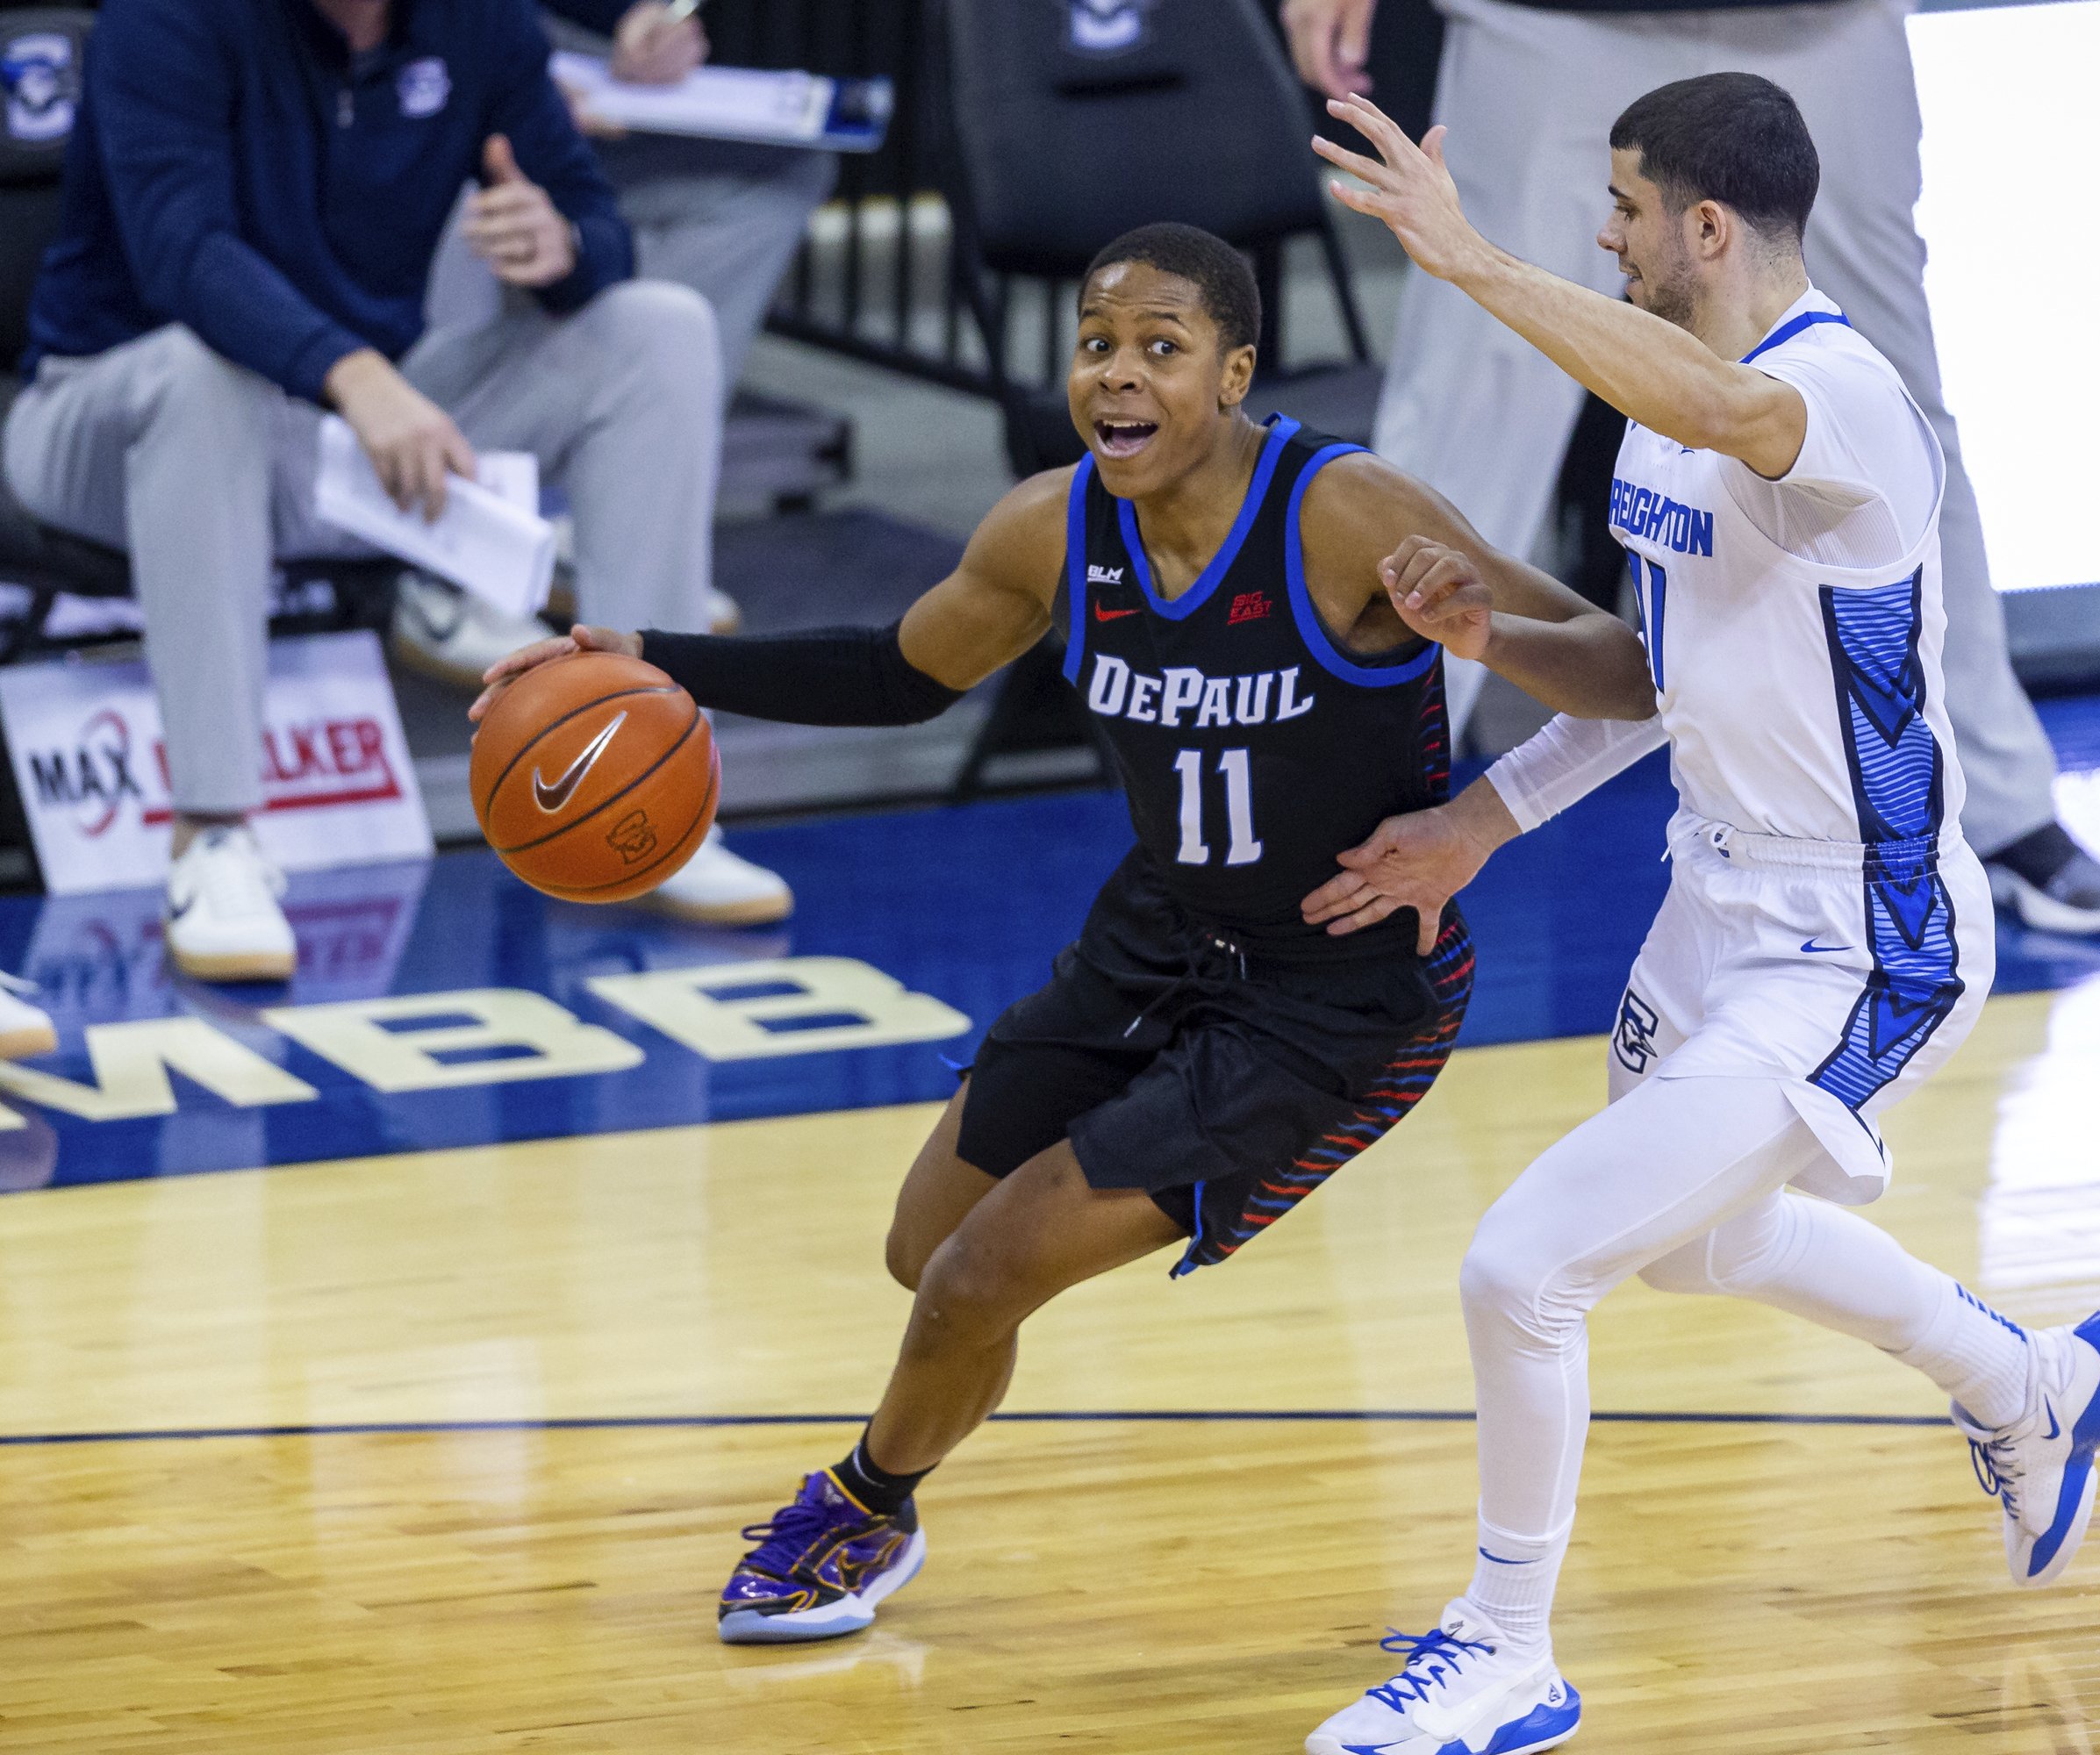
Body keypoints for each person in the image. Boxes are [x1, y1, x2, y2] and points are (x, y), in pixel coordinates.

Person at [469, 222, 1652, 1645]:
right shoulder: (1051, 527)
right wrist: (643, 656)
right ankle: (926, 1418)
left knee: (980, 1274)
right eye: (1096, 345)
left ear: (1234, 374)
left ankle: (860, 1507)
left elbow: (1630, 674)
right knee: (930, 1255)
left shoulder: (1342, 513)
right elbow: (901, 676)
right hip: (1155, 936)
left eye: (1162, 347)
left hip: (1332, 995)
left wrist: (1486, 657)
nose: (1119, 376)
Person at [1294, 81, 2100, 1753]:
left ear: (1706, 227)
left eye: (1620, 208)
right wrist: (1487, 746)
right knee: (1698, 1241)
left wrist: (1465, 264)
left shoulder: (1840, 396)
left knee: (1521, 1270)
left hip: (1864, 938)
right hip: (1715, 901)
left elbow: (1746, 413)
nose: (1600, 237)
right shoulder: (1661, 410)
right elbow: (1656, 677)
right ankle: (2030, 1383)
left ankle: (1506, 1649)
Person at [1280, 0, 2100, 938]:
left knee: (1888, 403)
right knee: (1465, 401)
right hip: (1550, 26)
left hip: (1820, 30)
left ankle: (1999, 801)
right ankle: (1335, 820)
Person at [3, 0, 792, 978]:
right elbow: (183, 255)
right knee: (202, 375)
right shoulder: (166, 19)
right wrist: (353, 375)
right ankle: (213, 835)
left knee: (657, 328)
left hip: (347, 421)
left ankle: (647, 791)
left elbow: (593, 216)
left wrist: (563, 247)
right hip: (102, 415)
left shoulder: (481, 23)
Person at [407, 0, 837, 671]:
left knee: (696, 280)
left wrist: (651, 11)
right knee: (469, 172)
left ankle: (598, 518)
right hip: (400, 67)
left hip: (548, 54)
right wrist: (496, 79)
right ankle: (442, 549)